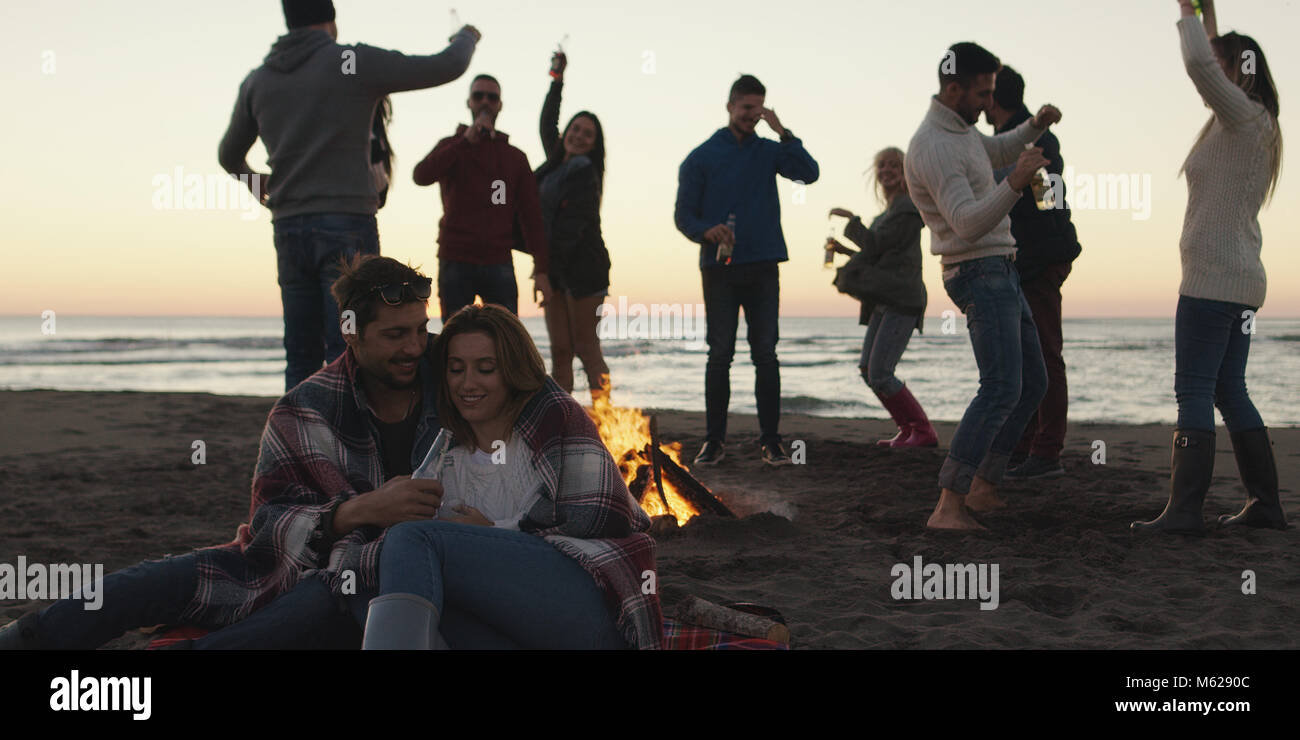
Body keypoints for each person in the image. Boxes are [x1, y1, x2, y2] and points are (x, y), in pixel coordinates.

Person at [0, 256, 446, 649]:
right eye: (395, 335)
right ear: (351, 334)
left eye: (420, 330)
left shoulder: (455, 390)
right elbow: (269, 524)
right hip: (285, 562)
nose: (413, 347)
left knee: (329, 596)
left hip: (368, 580)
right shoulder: (306, 406)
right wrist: (360, 511)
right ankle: (30, 637)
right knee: (148, 582)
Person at [359, 304, 662, 650]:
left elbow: (601, 515)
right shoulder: (443, 457)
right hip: (512, 620)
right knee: (371, 593)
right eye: (456, 369)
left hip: (586, 605)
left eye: (486, 369)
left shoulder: (552, 425)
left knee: (410, 539)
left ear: (512, 371)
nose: (467, 383)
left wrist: (492, 534)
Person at [218, 0, 479, 390]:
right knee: (353, 348)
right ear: (330, 19)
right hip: (347, 224)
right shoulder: (350, 63)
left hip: (288, 226)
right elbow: (447, 66)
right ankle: (352, 447)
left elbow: (229, 156)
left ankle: (299, 444)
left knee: (301, 353)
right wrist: (467, 36)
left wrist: (265, 189)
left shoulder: (259, 80)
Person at [1132, 1, 1286, 534]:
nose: (1211, 79)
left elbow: (1201, 65)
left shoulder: (1242, 118)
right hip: (1239, 283)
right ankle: (1265, 506)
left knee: (1194, 391)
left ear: (1237, 70)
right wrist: (1205, 11)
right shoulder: (1248, 122)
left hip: (1213, 280)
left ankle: (1184, 511)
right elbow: (1211, 63)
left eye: (1224, 69)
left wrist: (1185, 12)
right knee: (1228, 390)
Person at [904, 42, 1062, 530]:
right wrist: (1014, 183)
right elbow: (968, 223)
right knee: (1000, 387)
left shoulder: (962, 130)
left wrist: (1034, 126)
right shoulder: (934, 145)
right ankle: (949, 504)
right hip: (976, 269)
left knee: (1032, 382)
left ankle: (983, 486)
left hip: (1001, 267)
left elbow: (991, 151)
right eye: (982, 93)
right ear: (954, 89)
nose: (988, 103)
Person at [674, 74, 820, 467]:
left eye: (758, 109)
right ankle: (713, 442)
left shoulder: (770, 150)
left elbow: (809, 172)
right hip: (718, 268)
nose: (751, 116)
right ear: (730, 106)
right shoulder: (700, 157)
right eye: (745, 108)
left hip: (764, 265)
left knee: (766, 354)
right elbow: (683, 216)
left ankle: (771, 442)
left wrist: (782, 130)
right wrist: (706, 230)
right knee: (719, 354)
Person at [984, 65, 1083, 479]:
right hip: (1031, 257)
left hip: (1038, 258)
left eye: (983, 93)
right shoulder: (1014, 140)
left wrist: (1038, 259)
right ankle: (1026, 447)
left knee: (1042, 354)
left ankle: (1046, 452)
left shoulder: (1038, 140)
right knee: (1026, 356)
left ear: (993, 97)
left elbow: (1049, 202)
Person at [413, 74, 553, 322]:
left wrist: (541, 269)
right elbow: (421, 175)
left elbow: (532, 216)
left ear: (500, 105)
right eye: (479, 96)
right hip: (455, 258)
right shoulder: (451, 146)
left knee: (507, 342)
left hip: (498, 261)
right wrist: (464, 142)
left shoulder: (514, 158)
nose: (486, 102)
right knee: (454, 340)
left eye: (492, 97)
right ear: (469, 102)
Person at [827, 147, 935, 448]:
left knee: (882, 373)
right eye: (882, 165)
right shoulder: (887, 214)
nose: (887, 170)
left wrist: (851, 221)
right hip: (884, 300)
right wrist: (845, 250)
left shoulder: (908, 210)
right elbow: (880, 254)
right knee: (867, 370)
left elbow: (875, 246)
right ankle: (906, 428)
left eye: (894, 165)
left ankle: (923, 431)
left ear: (906, 172)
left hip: (903, 299)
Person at [533, 51, 613, 405]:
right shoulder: (554, 164)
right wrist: (557, 79)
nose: (579, 136)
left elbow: (570, 230)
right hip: (554, 269)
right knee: (560, 351)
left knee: (586, 348)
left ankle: (606, 415)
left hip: (585, 270)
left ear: (594, 145)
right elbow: (547, 122)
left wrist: (544, 270)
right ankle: (563, 423)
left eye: (588, 134)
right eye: (576, 129)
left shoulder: (584, 172)